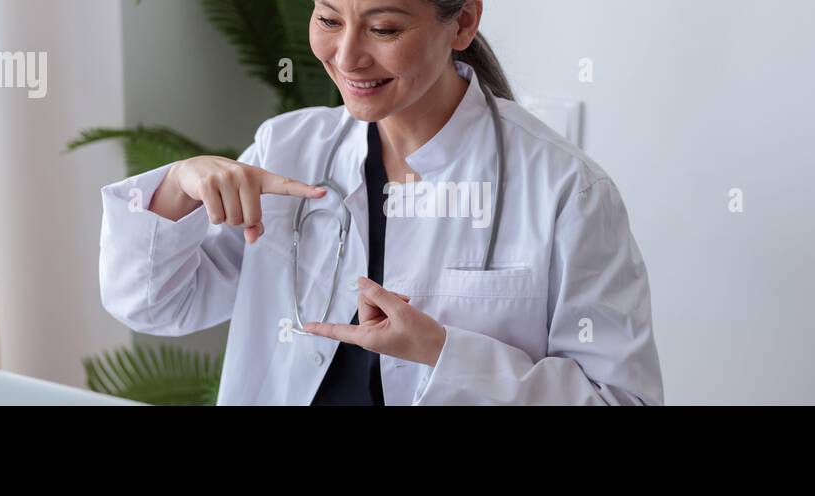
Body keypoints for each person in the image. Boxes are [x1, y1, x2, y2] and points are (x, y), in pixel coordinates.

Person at [99, 0, 662, 405]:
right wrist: (178, 187)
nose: (347, 57)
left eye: (384, 28)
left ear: (463, 21)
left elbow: (620, 400)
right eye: (327, 19)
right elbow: (157, 306)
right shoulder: (288, 148)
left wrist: (445, 352)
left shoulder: (566, 190)